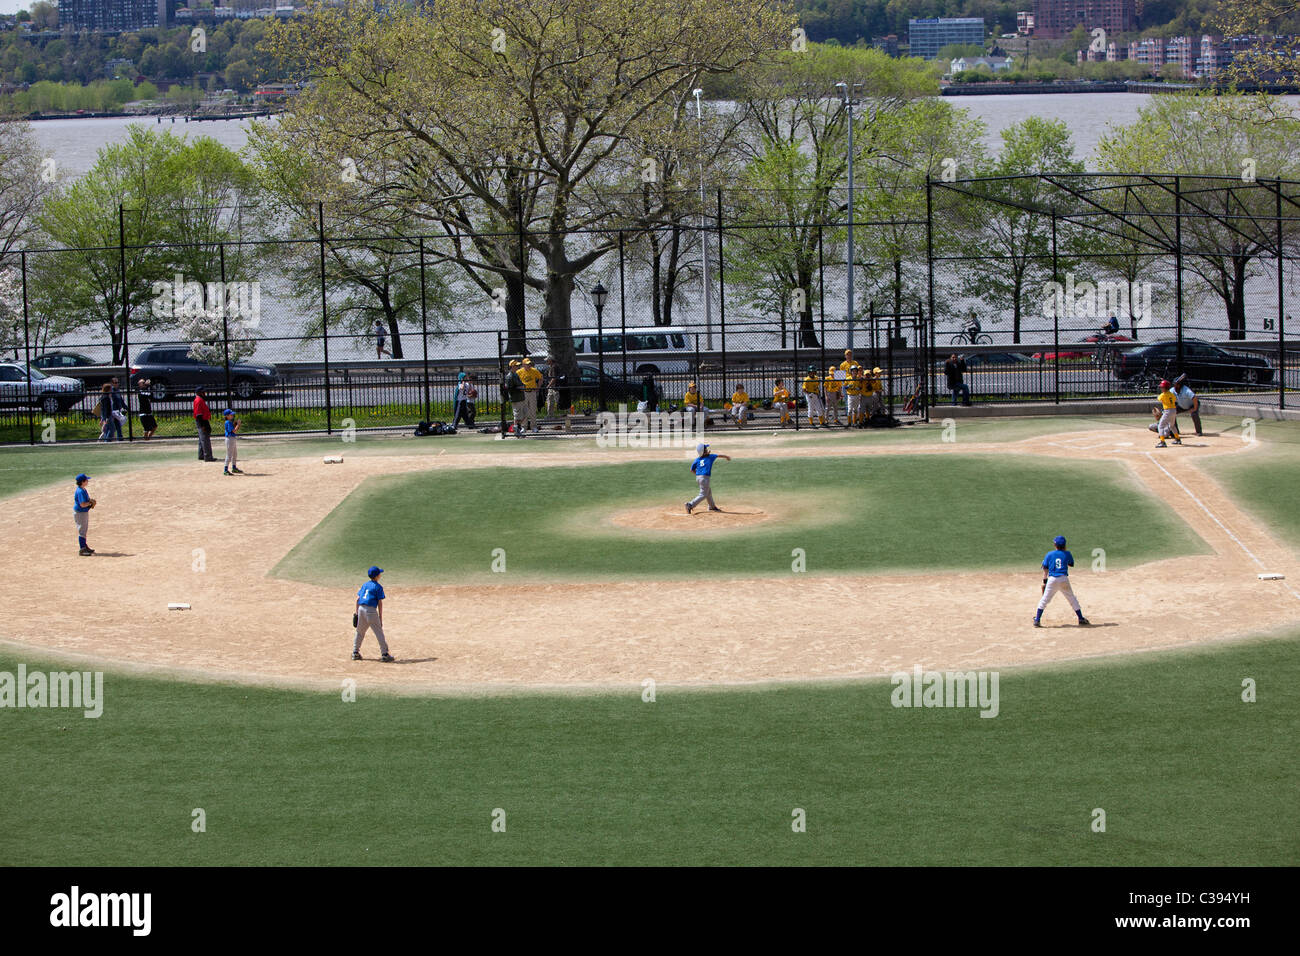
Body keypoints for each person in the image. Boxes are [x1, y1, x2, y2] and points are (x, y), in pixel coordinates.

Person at [1034, 535, 1090, 627]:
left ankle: (1037, 620)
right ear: (1064, 545)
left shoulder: (1049, 554)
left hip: (1052, 580)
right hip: (1064, 579)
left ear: (1055, 545)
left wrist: (1045, 580)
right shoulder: (1067, 553)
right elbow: (1071, 564)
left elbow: (1045, 567)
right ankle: (1080, 618)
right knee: (1072, 599)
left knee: (1044, 599)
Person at [352, 566, 395, 662]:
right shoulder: (378, 587)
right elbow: (379, 603)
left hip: (361, 609)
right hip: (371, 611)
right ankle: (385, 654)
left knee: (360, 632)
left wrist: (357, 614)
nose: (380, 575)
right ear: (376, 576)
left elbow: (358, 599)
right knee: (379, 632)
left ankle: (355, 652)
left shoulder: (365, 584)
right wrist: (380, 617)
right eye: (379, 574)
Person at [685, 442, 730, 514]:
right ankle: (690, 504)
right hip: (705, 478)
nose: (707, 450)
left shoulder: (697, 459)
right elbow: (719, 455)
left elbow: (691, 469)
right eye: (706, 449)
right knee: (703, 494)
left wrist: (698, 475)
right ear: (703, 452)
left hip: (699, 477)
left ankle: (712, 506)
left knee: (708, 492)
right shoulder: (710, 457)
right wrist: (727, 457)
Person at [1153, 379, 1181, 448]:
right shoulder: (1171, 394)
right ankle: (1177, 439)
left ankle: (1162, 442)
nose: (1161, 388)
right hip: (1174, 411)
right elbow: (1174, 399)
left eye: (1162, 387)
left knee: (1160, 426)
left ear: (1166, 388)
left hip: (1167, 411)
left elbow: (1158, 398)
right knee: (1172, 426)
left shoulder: (1163, 395)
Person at [73, 473, 96, 556]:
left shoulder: (83, 489)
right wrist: (90, 503)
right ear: (82, 482)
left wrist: (89, 502)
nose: (87, 481)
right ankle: (82, 549)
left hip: (83, 512)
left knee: (84, 530)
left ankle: (85, 547)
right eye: (86, 480)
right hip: (80, 513)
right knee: (82, 531)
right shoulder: (80, 491)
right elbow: (82, 504)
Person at [518, 356, 543, 431]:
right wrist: (519, 388)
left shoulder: (534, 370)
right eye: (526, 364)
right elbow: (516, 380)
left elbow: (541, 378)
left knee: (533, 409)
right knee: (524, 410)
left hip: (532, 392)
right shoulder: (519, 372)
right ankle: (524, 427)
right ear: (523, 365)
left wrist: (538, 387)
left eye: (529, 364)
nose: (528, 365)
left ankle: (534, 426)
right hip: (524, 392)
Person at [502, 359, 526, 437]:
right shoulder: (510, 376)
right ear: (512, 366)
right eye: (516, 365)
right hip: (516, 398)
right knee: (517, 415)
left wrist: (522, 386)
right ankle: (516, 430)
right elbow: (510, 388)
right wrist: (520, 387)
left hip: (521, 397)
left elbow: (520, 383)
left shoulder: (515, 374)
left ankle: (517, 428)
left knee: (525, 413)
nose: (518, 367)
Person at [193, 388, 215, 461]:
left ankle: (201, 455)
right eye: (203, 392)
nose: (204, 393)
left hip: (202, 420)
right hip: (202, 421)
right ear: (200, 393)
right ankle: (208, 456)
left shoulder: (198, 399)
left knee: (202, 439)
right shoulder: (199, 400)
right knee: (205, 439)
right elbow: (199, 414)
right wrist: (202, 425)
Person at [222, 408, 243, 475]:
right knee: (229, 455)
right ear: (227, 416)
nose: (232, 416)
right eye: (231, 415)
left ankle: (234, 468)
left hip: (232, 439)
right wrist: (238, 424)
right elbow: (234, 430)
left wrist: (236, 424)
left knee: (234, 454)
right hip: (229, 439)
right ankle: (225, 470)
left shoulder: (229, 422)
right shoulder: (228, 422)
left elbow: (234, 429)